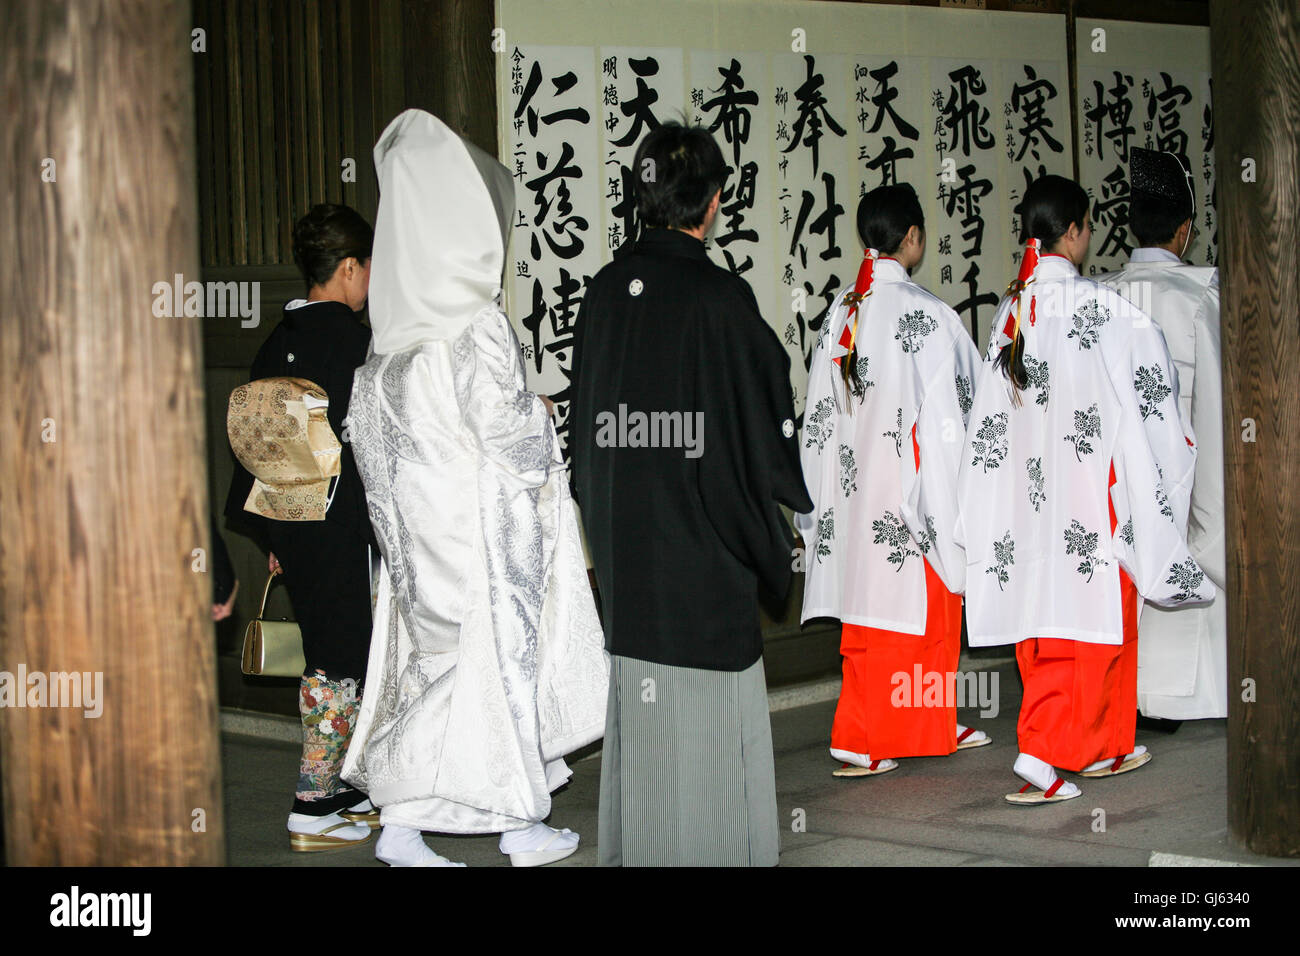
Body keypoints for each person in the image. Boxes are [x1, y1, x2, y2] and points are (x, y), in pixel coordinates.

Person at [339, 109, 608, 868]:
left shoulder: (388, 339)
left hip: (417, 541)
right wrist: (544, 417)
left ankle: (406, 825)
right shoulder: (474, 326)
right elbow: (508, 433)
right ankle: (516, 823)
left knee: (436, 672)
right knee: (496, 666)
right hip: (480, 533)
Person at [570, 121, 812, 866]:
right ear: (709, 204)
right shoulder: (718, 298)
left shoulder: (606, 294)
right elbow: (760, 420)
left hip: (631, 559)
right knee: (708, 742)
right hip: (701, 560)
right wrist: (779, 519)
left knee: (646, 725)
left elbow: (586, 433)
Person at [955, 174, 1214, 804]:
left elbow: (986, 425)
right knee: (1097, 626)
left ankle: (1101, 746)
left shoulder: (1012, 317)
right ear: (1073, 232)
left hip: (1028, 502)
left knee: (1042, 626)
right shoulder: (1106, 312)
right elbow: (1155, 409)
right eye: (1087, 226)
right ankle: (1045, 753)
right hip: (1092, 500)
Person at [796, 184, 988, 779]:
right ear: (912, 238)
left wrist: (815, 507)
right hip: (910, 498)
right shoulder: (928, 315)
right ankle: (869, 735)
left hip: (856, 500)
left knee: (869, 619)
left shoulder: (842, 314)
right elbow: (958, 417)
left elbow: (817, 418)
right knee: (921, 616)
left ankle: (909, 723)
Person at [225, 202, 379, 851]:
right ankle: (312, 803)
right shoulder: (348, 339)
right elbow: (369, 439)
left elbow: (255, 453)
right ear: (349, 268)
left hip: (291, 524)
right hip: (336, 522)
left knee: (333, 649)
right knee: (340, 657)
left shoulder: (273, 341)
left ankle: (342, 782)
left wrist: (274, 539)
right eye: (367, 268)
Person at [1098, 147, 1226, 723]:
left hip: (1110, 480)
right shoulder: (1203, 298)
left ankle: (1118, 691)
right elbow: (1219, 413)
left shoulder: (1094, 297)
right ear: (1185, 232)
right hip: (1185, 469)